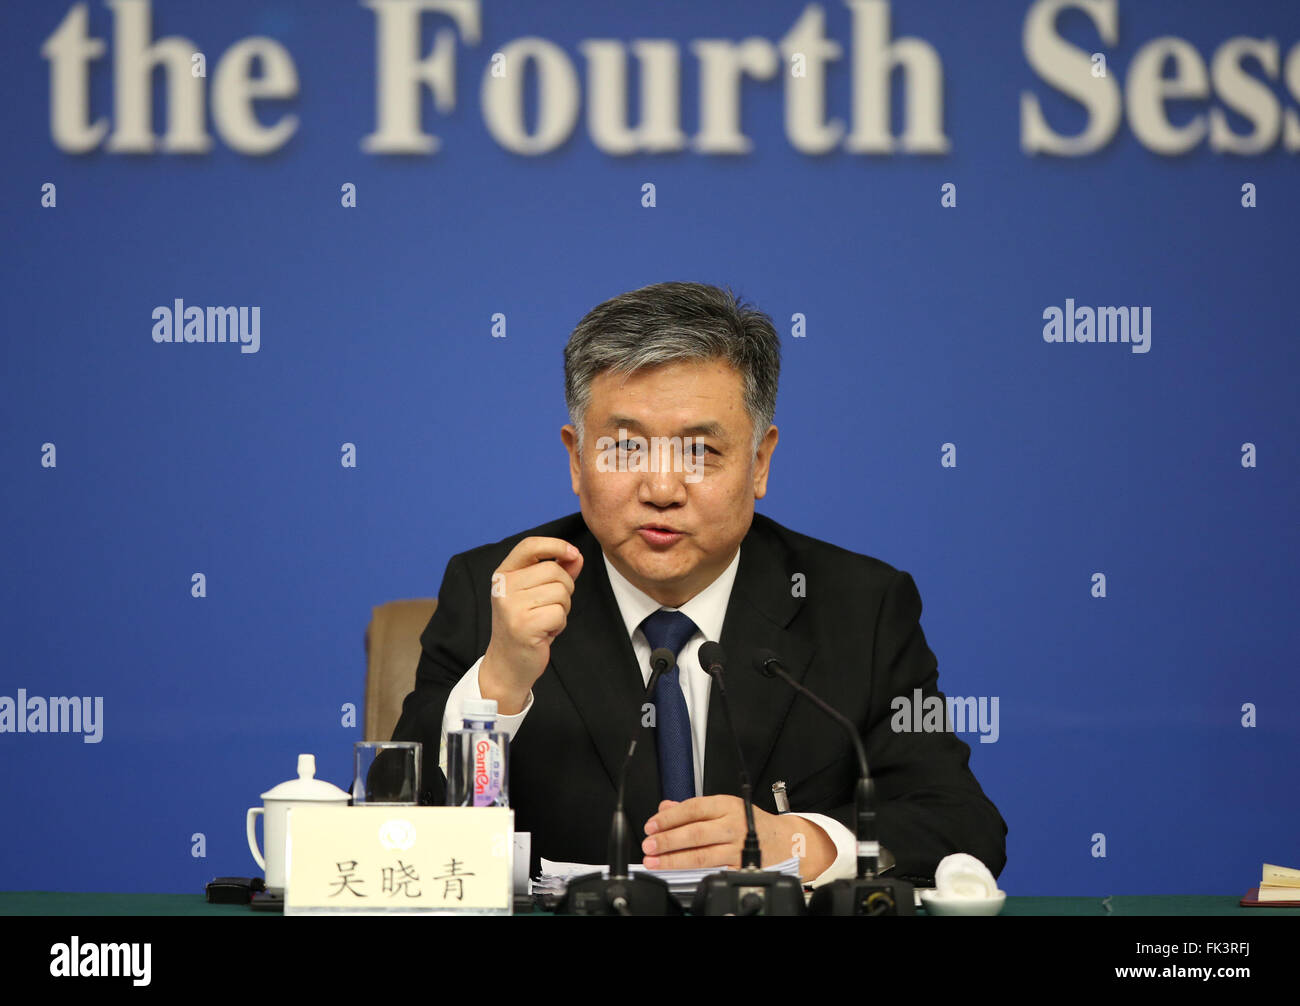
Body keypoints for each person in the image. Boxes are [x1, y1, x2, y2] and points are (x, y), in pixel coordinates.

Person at [392, 281, 1006, 886]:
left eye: (700, 452)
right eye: (626, 448)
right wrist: (499, 682)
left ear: (759, 462)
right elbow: (391, 834)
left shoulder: (861, 607)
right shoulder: (491, 589)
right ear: (576, 460)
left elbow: (963, 826)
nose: (661, 489)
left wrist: (805, 842)